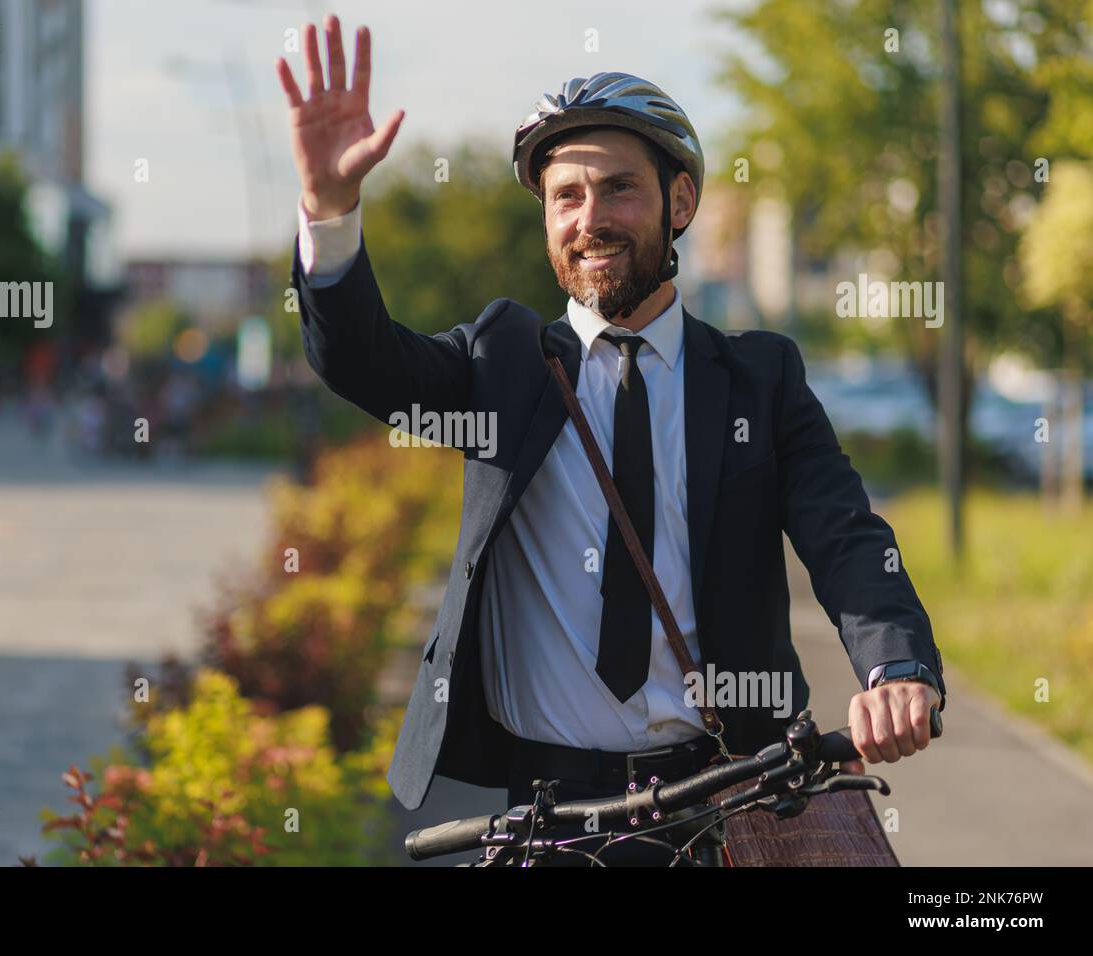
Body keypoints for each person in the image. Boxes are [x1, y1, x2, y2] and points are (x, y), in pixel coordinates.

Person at [277, 18, 947, 844]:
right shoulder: (503, 362)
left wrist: (897, 669)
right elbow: (361, 360)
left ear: (682, 201)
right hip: (548, 809)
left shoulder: (760, 378)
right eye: (566, 196)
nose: (589, 218)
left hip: (725, 797)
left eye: (619, 189)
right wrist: (329, 208)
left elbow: (846, 537)